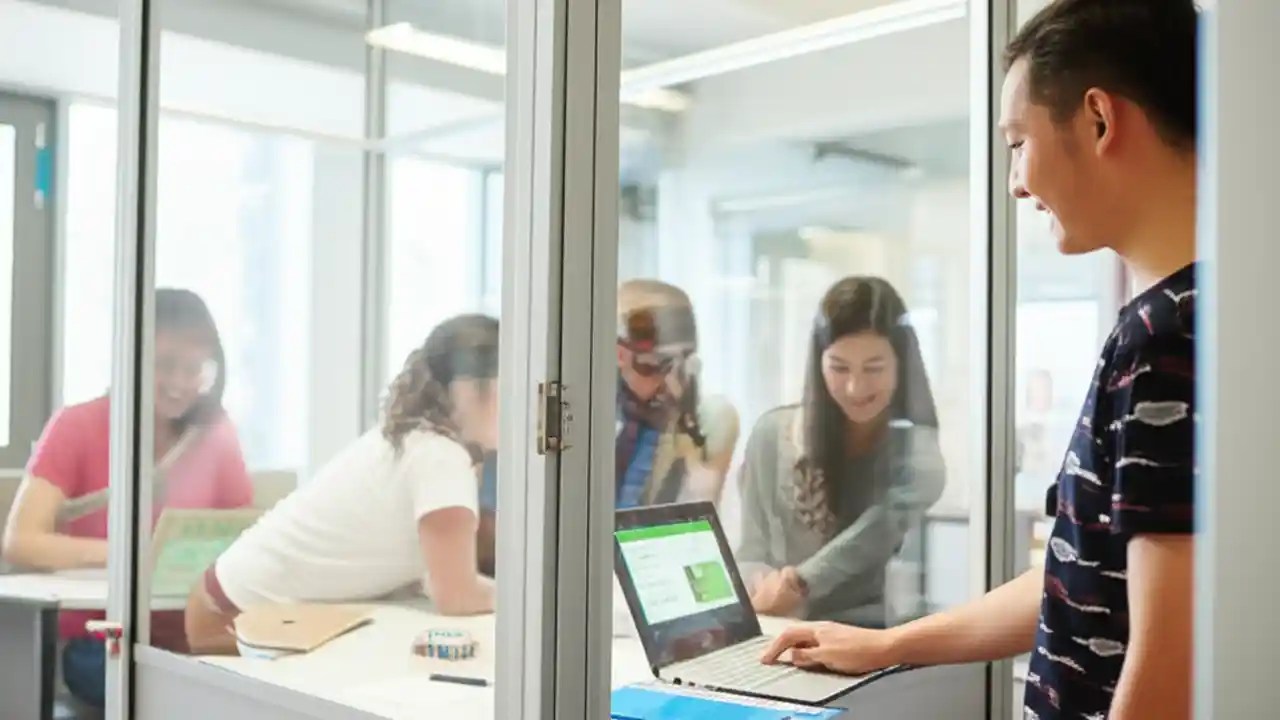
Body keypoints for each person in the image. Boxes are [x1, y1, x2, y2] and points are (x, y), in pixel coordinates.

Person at [762, 3, 1199, 719]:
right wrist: (887, 645)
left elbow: (1172, 661)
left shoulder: (1168, 336)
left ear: (1098, 120)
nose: (1016, 183)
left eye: (1017, 143)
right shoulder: (1182, 317)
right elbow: (1083, 574)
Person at [185, 315, 499, 654]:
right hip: (239, 617)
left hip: (225, 602)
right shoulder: (441, 458)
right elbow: (457, 595)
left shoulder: (414, 436)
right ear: (466, 390)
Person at [1, 288, 252, 709]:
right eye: (165, 365)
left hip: (191, 636)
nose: (180, 383)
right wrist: (131, 556)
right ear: (131, 358)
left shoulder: (214, 433)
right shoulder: (78, 426)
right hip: (99, 640)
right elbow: (21, 539)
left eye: (195, 369)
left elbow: (245, 535)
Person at [737, 276, 945, 627]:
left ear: (902, 364)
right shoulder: (772, 434)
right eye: (839, 367)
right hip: (775, 629)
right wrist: (761, 585)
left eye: (874, 368)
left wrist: (797, 584)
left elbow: (870, 539)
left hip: (872, 637)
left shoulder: (916, 453)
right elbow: (752, 549)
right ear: (818, 363)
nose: (855, 387)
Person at [615, 280, 738, 508]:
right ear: (619, 355)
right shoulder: (595, 408)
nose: (670, 384)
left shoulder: (710, 420)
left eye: (681, 367)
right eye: (655, 366)